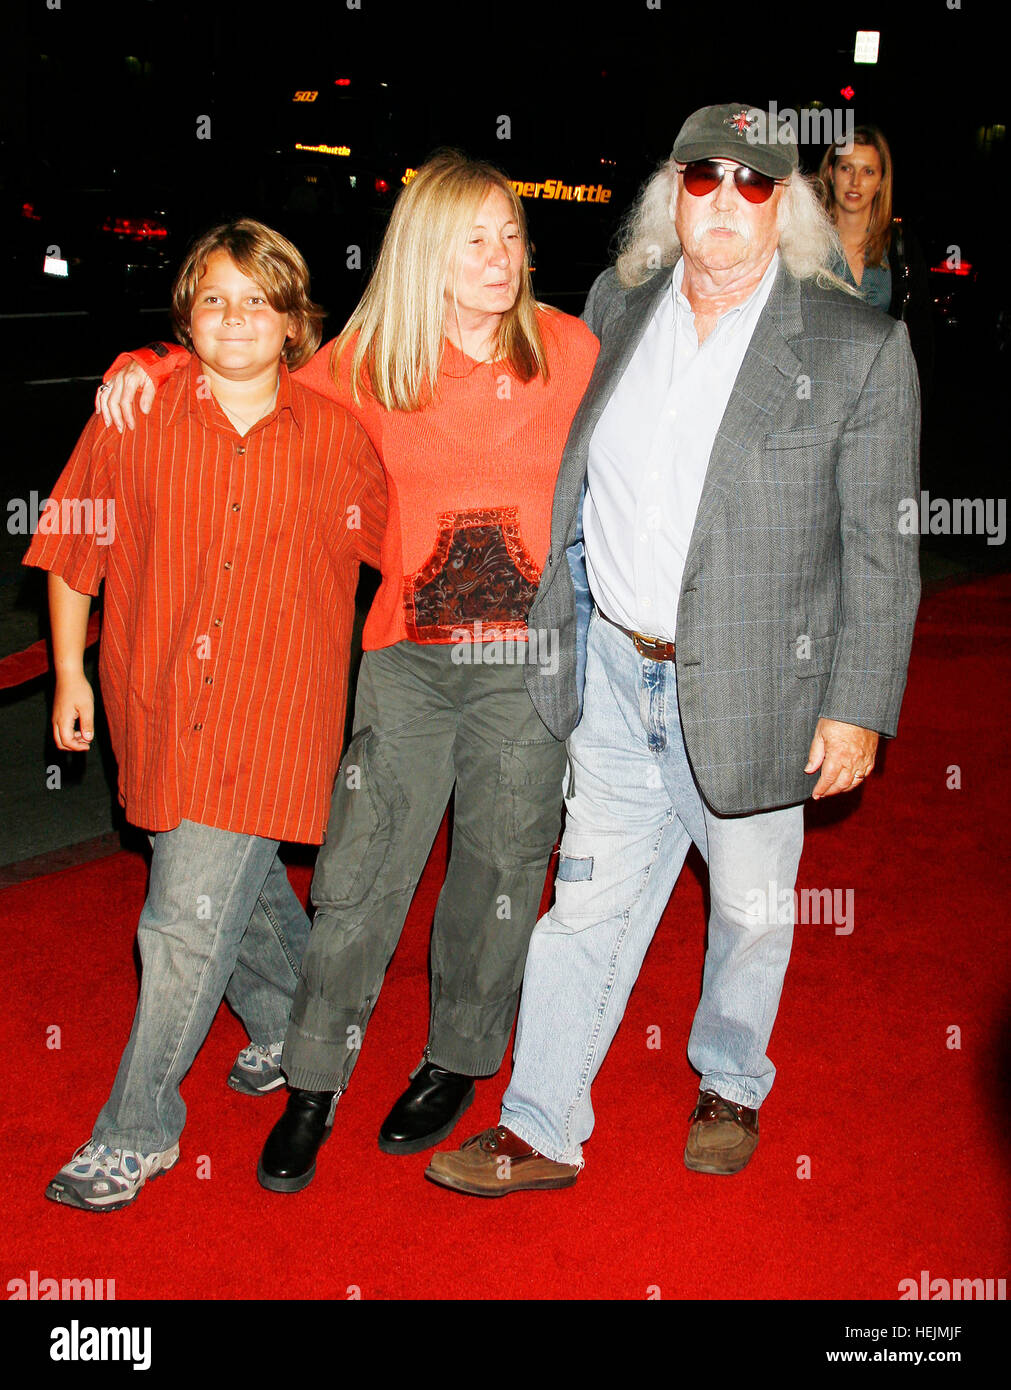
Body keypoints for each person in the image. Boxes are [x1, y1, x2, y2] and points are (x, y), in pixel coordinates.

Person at [424, 103, 921, 1197]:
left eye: (755, 186)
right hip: (610, 664)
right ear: (672, 193)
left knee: (749, 908)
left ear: (786, 206)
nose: (727, 205)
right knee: (586, 899)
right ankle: (542, 1121)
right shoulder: (620, 303)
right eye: (705, 180)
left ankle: (732, 1078)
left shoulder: (857, 346)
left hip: (757, 683)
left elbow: (879, 548)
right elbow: (470, 362)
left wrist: (858, 704)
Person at [94, 151, 600, 1192]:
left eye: (510, 235)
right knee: (360, 879)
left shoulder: (573, 349)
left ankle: (458, 1056)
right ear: (427, 251)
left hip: (526, 662)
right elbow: (247, 366)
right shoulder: (371, 360)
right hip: (406, 663)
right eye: (474, 238)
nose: (499, 256)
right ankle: (315, 1077)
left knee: (500, 875)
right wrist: (151, 361)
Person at [24, 219, 386, 1211]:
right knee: (241, 883)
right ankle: (302, 1029)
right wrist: (70, 673)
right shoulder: (133, 412)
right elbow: (70, 546)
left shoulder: (338, 438)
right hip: (163, 702)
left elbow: (411, 542)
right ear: (186, 316)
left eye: (258, 301)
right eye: (214, 300)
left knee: (179, 922)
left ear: (294, 320)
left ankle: (137, 1132)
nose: (236, 319)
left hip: (273, 718)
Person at [818, 124, 933, 395]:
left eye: (868, 171)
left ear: (881, 180)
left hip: (880, 395)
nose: (856, 182)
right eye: (847, 168)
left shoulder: (900, 246)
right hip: (817, 392)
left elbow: (921, 336)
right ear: (831, 173)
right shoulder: (806, 242)